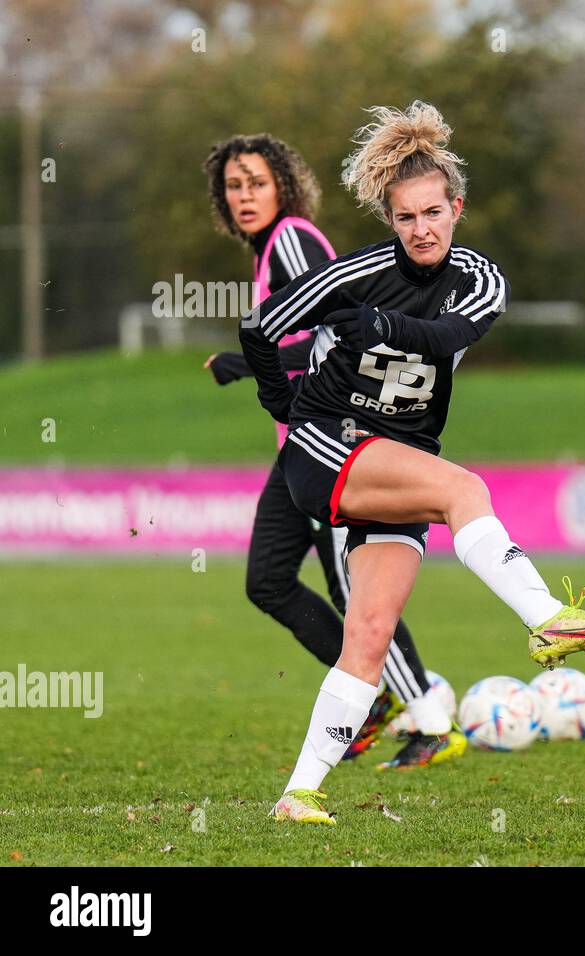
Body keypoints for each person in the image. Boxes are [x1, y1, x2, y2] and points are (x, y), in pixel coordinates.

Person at [238, 101, 585, 825]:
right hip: (328, 444)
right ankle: (548, 617)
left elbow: (446, 331)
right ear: (389, 221)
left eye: (432, 213)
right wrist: (277, 399)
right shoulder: (357, 272)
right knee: (465, 489)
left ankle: (299, 793)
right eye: (405, 218)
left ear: (457, 208)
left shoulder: (481, 277)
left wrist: (380, 325)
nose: (421, 229)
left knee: (368, 635)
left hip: (395, 457)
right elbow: (259, 325)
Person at [201, 133, 460, 769]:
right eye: (234, 187)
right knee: (269, 580)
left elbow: (330, 333)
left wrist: (244, 361)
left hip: (334, 441)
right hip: (305, 443)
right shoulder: (272, 247)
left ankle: (426, 716)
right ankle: (380, 703)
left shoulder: (291, 239)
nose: (244, 197)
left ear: (283, 185)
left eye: (256, 183)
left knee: (354, 588)